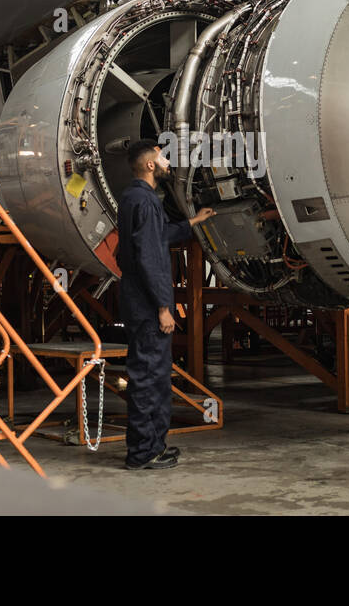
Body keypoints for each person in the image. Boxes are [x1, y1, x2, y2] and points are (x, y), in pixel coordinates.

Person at [117, 139, 215, 470]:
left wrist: (192, 222)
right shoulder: (143, 202)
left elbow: (156, 238)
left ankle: (153, 446)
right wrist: (163, 305)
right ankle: (143, 453)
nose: (167, 163)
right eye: (162, 158)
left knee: (155, 377)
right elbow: (149, 257)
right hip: (147, 306)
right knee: (148, 377)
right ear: (149, 165)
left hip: (139, 300)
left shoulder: (137, 198)